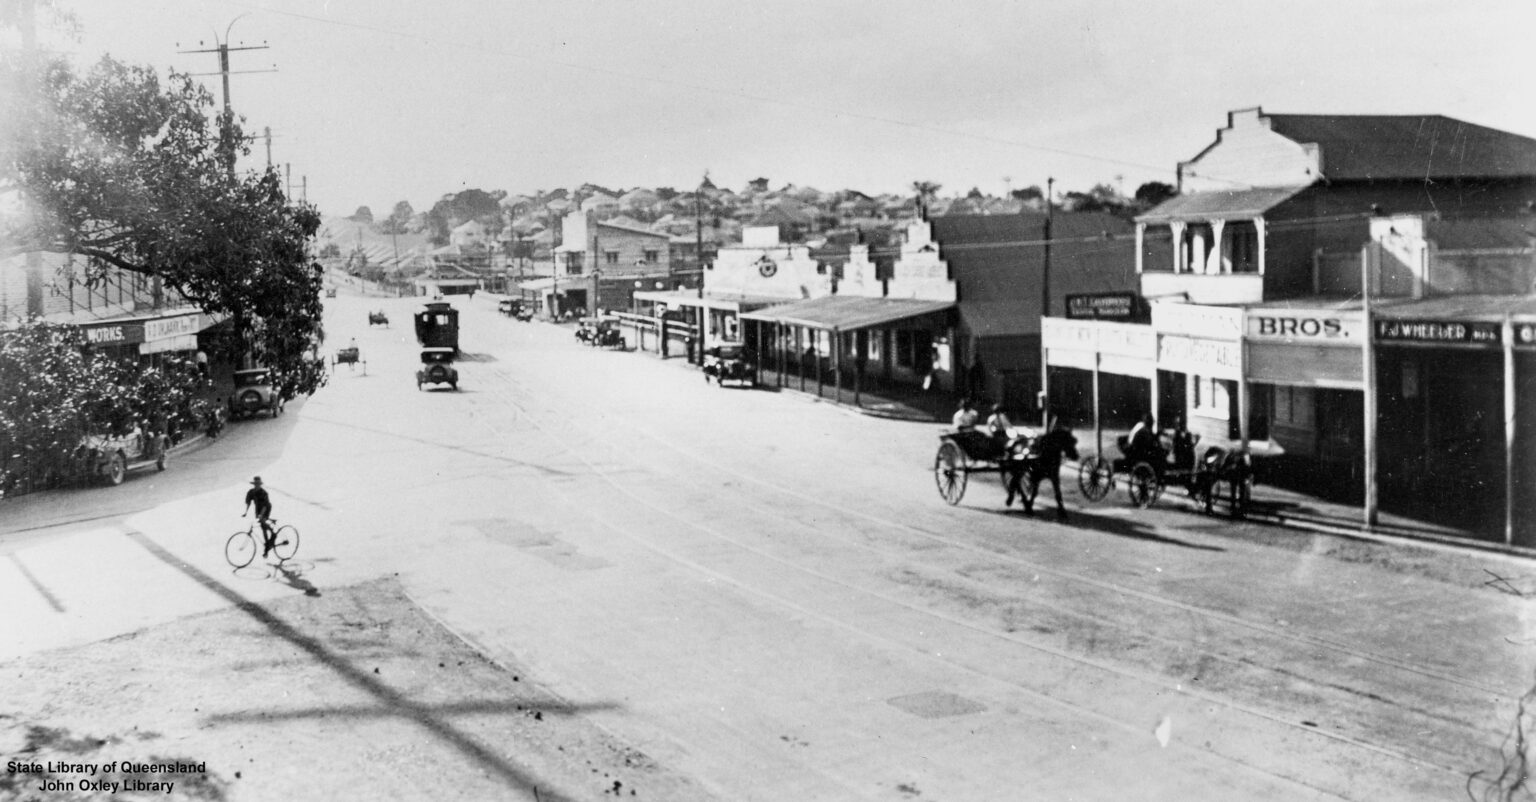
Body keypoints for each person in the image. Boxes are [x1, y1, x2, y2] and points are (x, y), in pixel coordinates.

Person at [1015, 415, 1080, 519]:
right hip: (1041, 459)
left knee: (1055, 484)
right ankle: (1031, 502)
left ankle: (1060, 507)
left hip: (1051, 458)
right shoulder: (1050, 437)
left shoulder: (1060, 435)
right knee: (1038, 481)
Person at [242, 476, 276, 556]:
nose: (256, 485)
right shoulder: (251, 492)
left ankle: (269, 542)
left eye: (258, 484)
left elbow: (265, 505)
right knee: (262, 525)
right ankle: (268, 542)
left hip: (266, 508)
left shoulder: (264, 493)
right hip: (258, 510)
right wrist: (245, 512)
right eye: (255, 484)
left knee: (263, 524)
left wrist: (261, 515)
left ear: (260, 484)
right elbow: (248, 502)